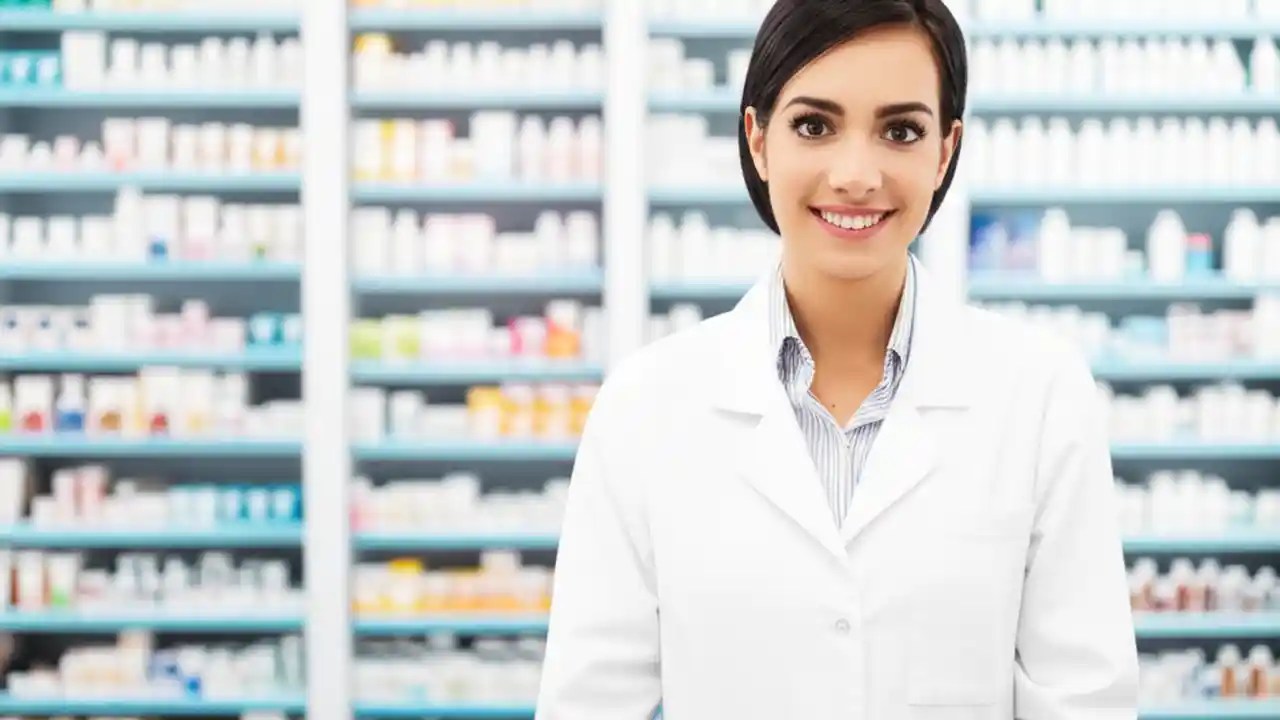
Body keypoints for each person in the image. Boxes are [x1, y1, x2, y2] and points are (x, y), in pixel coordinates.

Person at [535, 0, 1139, 717]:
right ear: (757, 140)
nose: (856, 174)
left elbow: (1083, 702)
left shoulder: (1039, 395)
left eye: (901, 130)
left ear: (945, 151)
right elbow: (591, 705)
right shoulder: (644, 409)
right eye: (814, 125)